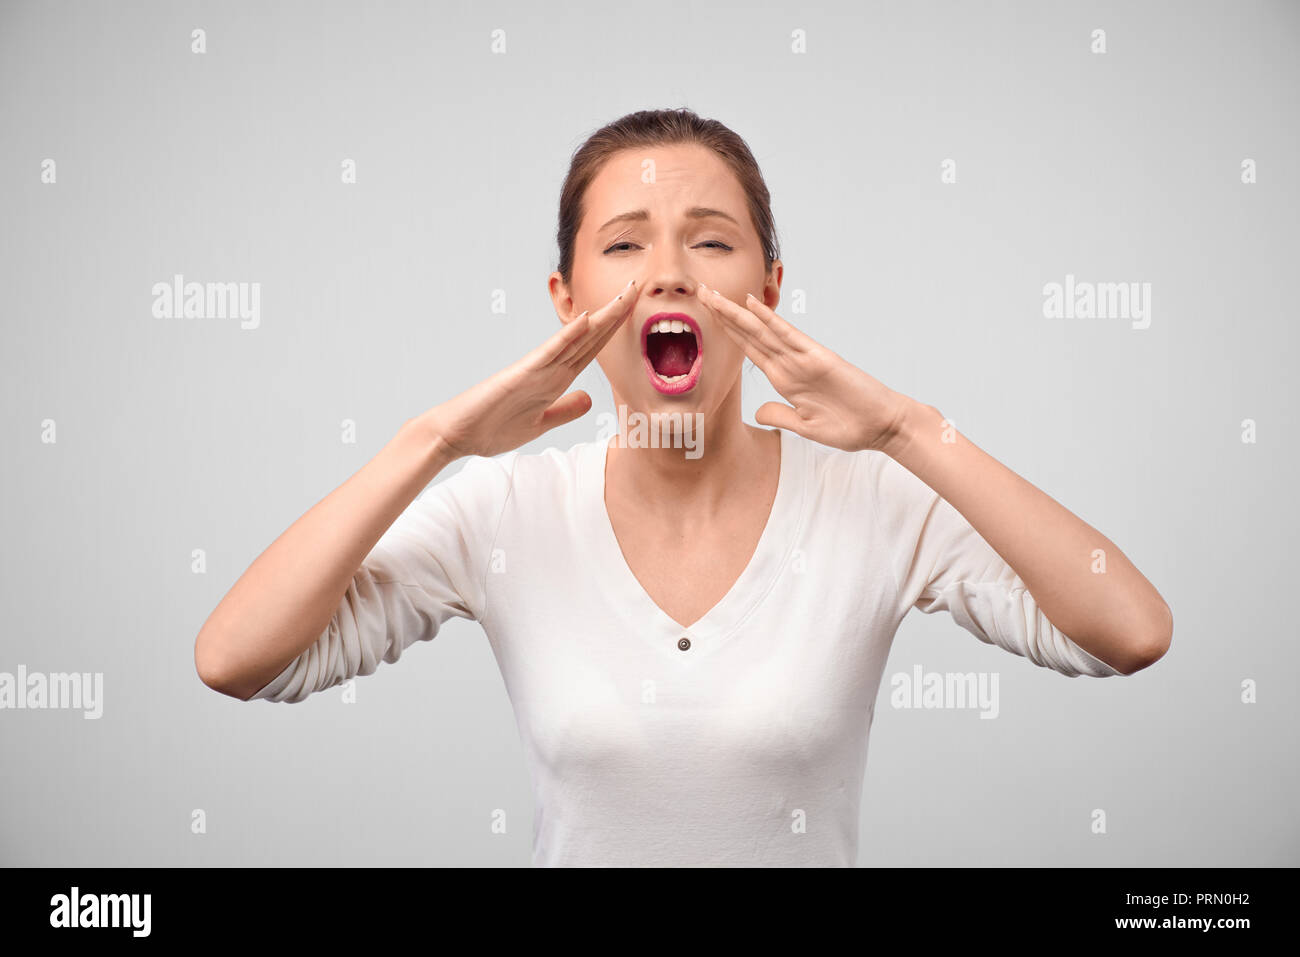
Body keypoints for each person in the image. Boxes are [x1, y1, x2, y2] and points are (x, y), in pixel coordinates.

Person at [194, 108, 1173, 866]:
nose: (666, 271)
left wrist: (910, 430)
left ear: (768, 290)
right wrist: (435, 440)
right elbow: (235, 658)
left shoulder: (873, 501)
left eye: (709, 240)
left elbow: (1128, 631)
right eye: (623, 245)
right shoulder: (500, 513)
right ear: (566, 300)